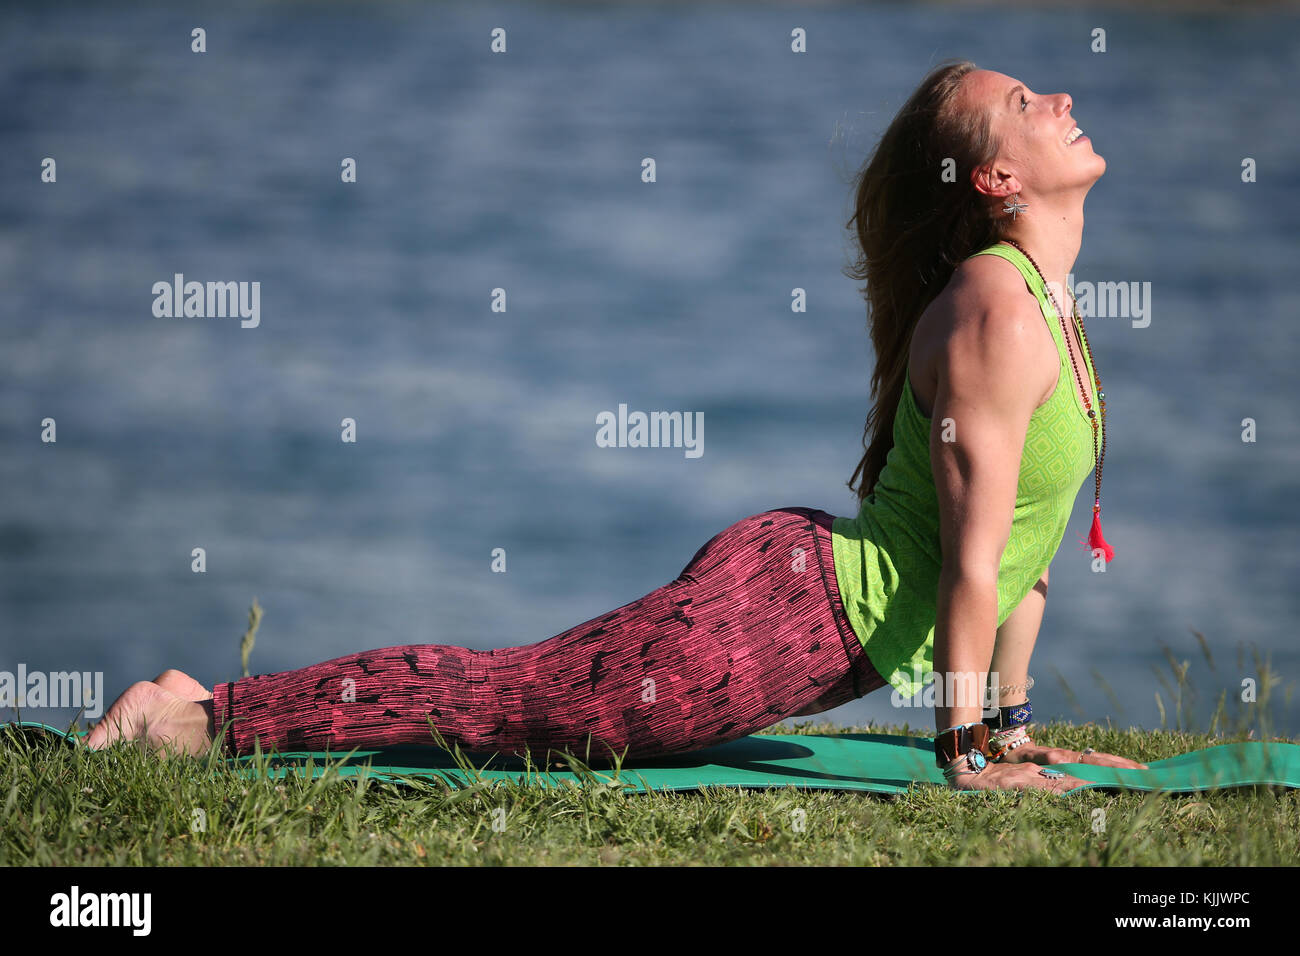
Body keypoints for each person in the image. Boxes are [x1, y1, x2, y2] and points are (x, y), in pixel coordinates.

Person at [85, 60, 1148, 791]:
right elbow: (970, 568)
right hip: (767, 622)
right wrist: (963, 752)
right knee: (500, 705)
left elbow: (1023, 555)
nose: (1058, 95)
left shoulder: (1047, 305)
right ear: (998, 180)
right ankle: (199, 718)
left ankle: (206, 703)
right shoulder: (998, 313)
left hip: (795, 598)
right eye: (1023, 100)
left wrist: (1013, 731)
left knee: (508, 699)